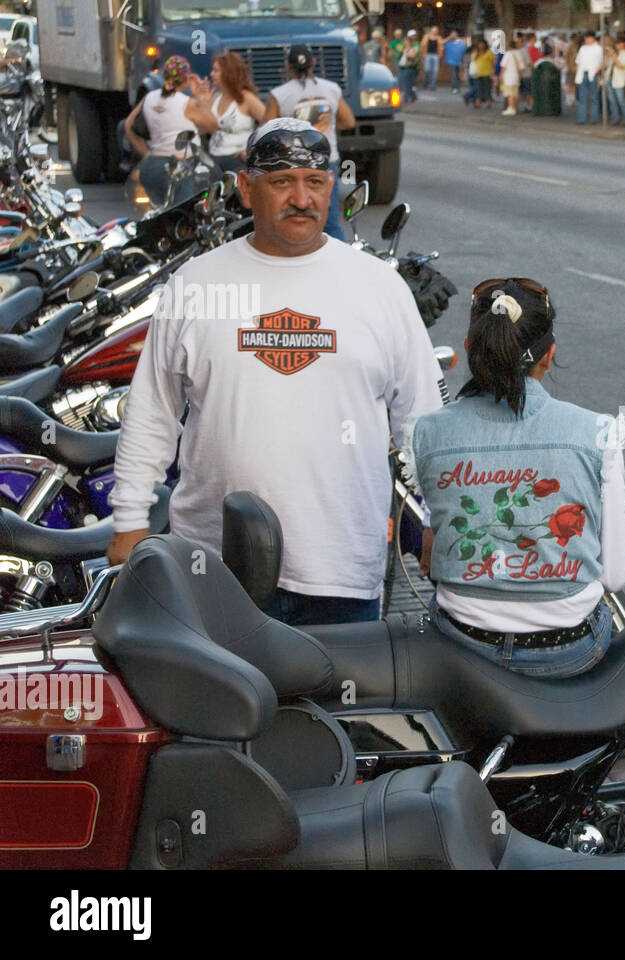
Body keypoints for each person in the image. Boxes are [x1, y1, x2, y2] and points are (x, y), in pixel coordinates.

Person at [107, 119, 446, 626]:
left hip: (339, 571)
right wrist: (130, 521)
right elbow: (152, 412)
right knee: (213, 706)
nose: (302, 199)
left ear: (332, 187)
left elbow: (422, 420)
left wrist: (441, 516)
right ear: (246, 189)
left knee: (329, 706)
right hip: (214, 566)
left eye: (315, 183)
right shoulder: (196, 284)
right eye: (282, 182)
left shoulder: (381, 288)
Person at [409, 278, 625, 678]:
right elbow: (616, 575)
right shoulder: (598, 432)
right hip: (566, 650)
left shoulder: (427, 432)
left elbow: (431, 554)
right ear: (549, 355)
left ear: (469, 351)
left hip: (461, 645)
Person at [264, 45, 355, 242]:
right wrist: (327, 125)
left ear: (288, 66)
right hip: (325, 161)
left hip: (293, 163)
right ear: (313, 63)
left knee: (295, 217)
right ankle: (339, 263)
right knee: (330, 220)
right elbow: (349, 121)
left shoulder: (279, 94)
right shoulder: (332, 89)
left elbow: (267, 130)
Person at [123, 55, 217, 206]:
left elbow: (128, 126)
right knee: (182, 214)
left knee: (160, 210)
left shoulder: (149, 98)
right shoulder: (187, 103)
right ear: (186, 78)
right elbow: (213, 125)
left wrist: (146, 154)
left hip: (151, 167)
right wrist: (200, 97)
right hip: (179, 169)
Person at [207, 51, 265, 175]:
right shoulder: (214, 99)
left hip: (237, 161)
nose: (211, 74)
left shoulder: (246, 98)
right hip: (213, 160)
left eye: (216, 71)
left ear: (228, 73)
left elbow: (270, 122)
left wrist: (252, 148)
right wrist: (200, 98)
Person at [574, 31, 603, 124]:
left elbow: (601, 62)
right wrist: (577, 75)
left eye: (587, 38)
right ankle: (581, 118)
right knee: (582, 98)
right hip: (582, 74)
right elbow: (578, 62)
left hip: (592, 74)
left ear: (592, 38)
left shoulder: (598, 48)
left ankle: (594, 119)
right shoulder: (582, 48)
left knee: (593, 97)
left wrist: (596, 72)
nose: (586, 40)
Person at [608, 38, 625, 124]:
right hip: (611, 79)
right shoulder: (617, 53)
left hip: (620, 80)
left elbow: (621, 65)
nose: (617, 46)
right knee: (612, 100)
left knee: (621, 100)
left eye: (619, 44)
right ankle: (615, 118)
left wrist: (613, 56)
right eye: (616, 44)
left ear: (624, 44)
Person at [500, 35, 525, 116]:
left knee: (509, 94)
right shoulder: (519, 54)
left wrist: (501, 75)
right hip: (516, 76)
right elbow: (522, 68)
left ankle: (511, 108)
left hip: (508, 77)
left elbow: (503, 66)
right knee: (515, 93)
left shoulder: (508, 54)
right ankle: (514, 107)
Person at [443, 29, 467, 94]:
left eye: (454, 34)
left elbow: (465, 48)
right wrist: (449, 37)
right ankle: (454, 87)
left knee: (457, 75)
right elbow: (441, 42)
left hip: (458, 61)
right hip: (451, 61)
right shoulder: (448, 43)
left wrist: (459, 38)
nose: (453, 36)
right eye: (452, 34)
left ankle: (457, 87)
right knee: (453, 75)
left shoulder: (460, 43)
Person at [473, 39, 495, 108]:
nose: (481, 46)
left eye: (483, 44)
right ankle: (478, 103)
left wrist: (493, 72)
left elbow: (493, 62)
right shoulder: (476, 52)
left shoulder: (489, 52)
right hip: (478, 74)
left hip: (487, 73)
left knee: (487, 89)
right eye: (480, 44)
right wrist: (476, 55)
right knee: (478, 89)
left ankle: (488, 103)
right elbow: (472, 60)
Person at [422, 25, 441, 91]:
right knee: (427, 70)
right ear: (431, 30)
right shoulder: (426, 36)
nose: (435, 31)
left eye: (436, 30)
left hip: (435, 55)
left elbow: (441, 46)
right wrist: (423, 54)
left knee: (435, 71)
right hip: (427, 55)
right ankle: (425, 83)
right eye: (434, 30)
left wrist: (440, 55)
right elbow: (423, 45)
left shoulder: (439, 37)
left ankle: (432, 85)